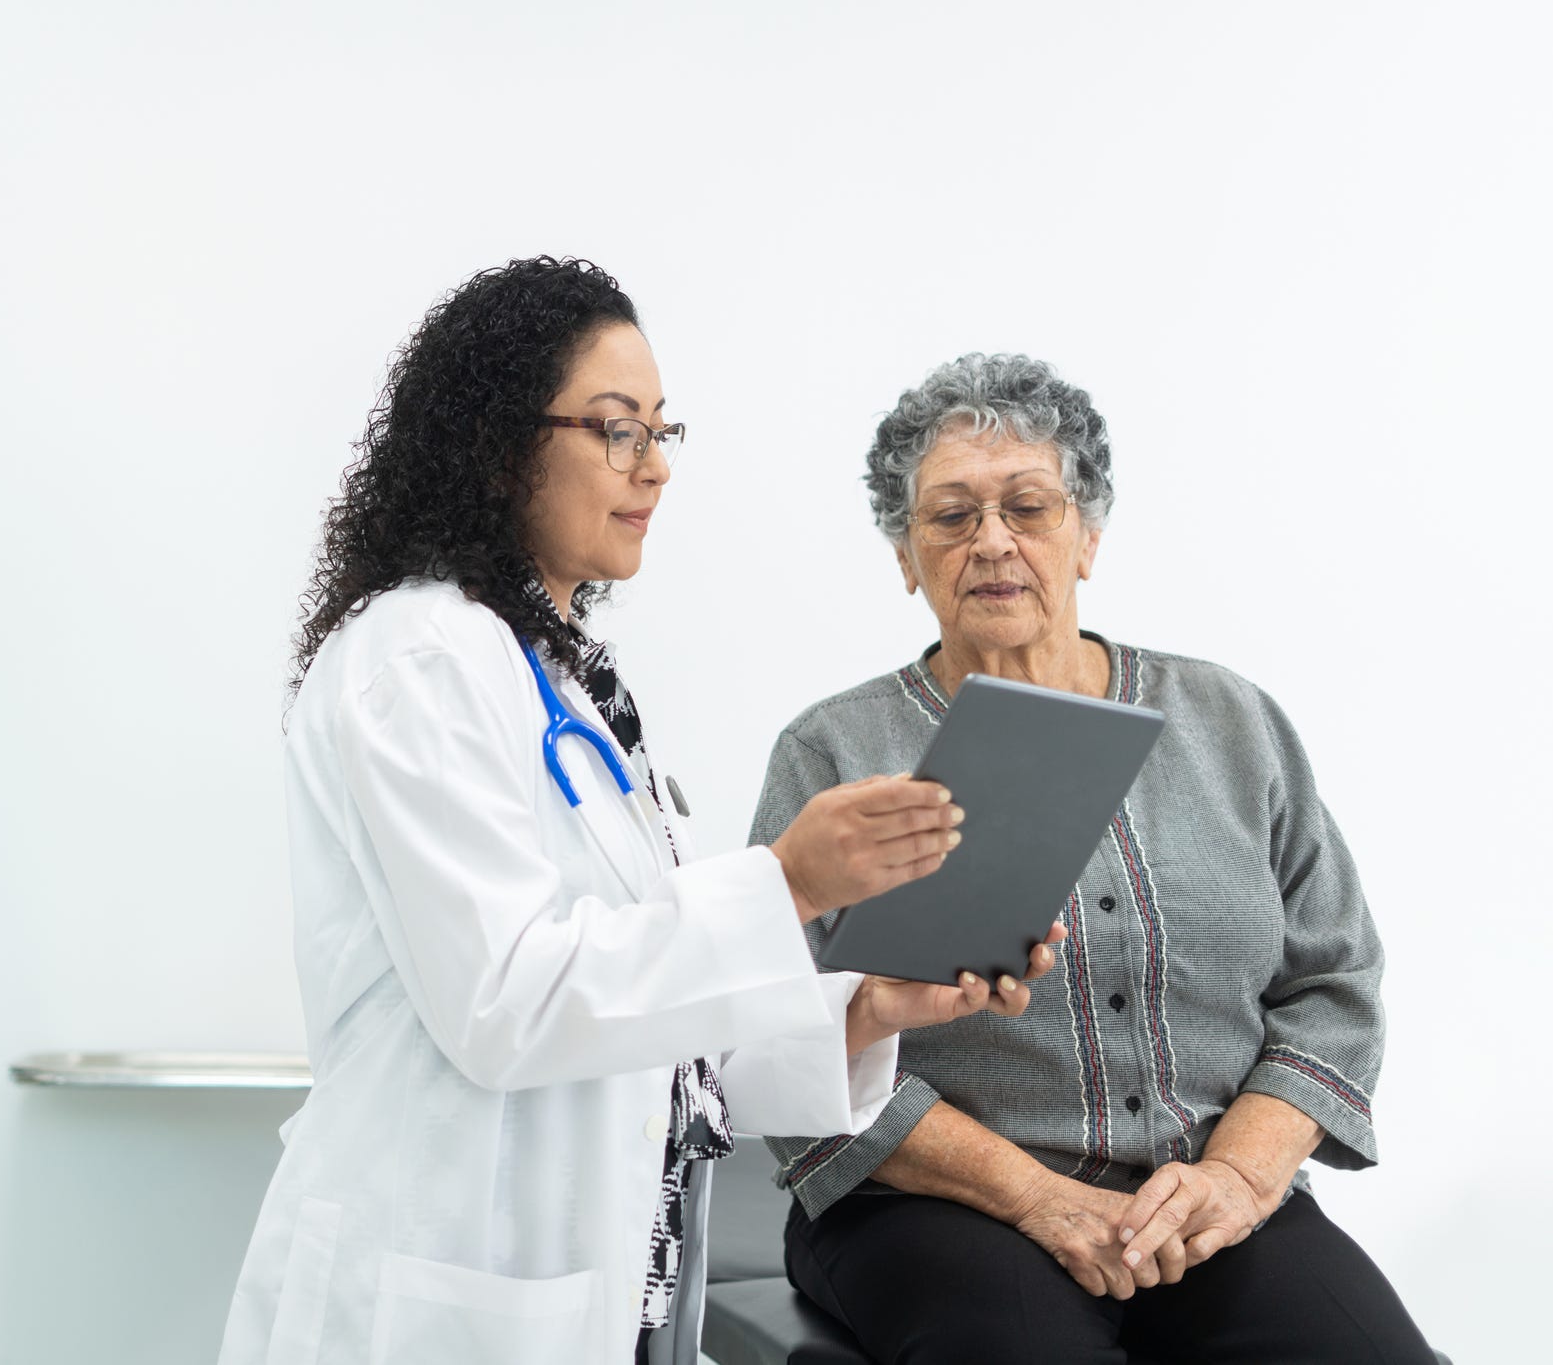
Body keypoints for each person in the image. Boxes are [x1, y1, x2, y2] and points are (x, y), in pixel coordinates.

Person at [217, 262, 1062, 1365]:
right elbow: (509, 1004)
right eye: (618, 430)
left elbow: (649, 1033)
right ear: (499, 440)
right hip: (436, 1294)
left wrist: (859, 1013)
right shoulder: (419, 657)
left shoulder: (560, 679)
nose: (655, 468)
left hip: (586, 1294)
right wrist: (792, 883)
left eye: (664, 431)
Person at [752, 353, 1437, 1363]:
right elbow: (783, 1040)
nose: (992, 541)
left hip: (1198, 1196)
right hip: (937, 1208)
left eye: (1028, 506)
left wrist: (1238, 1181)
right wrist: (1035, 1195)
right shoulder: (834, 754)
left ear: (1089, 535)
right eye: (949, 516)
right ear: (905, 554)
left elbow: (1334, 978)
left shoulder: (1230, 721)